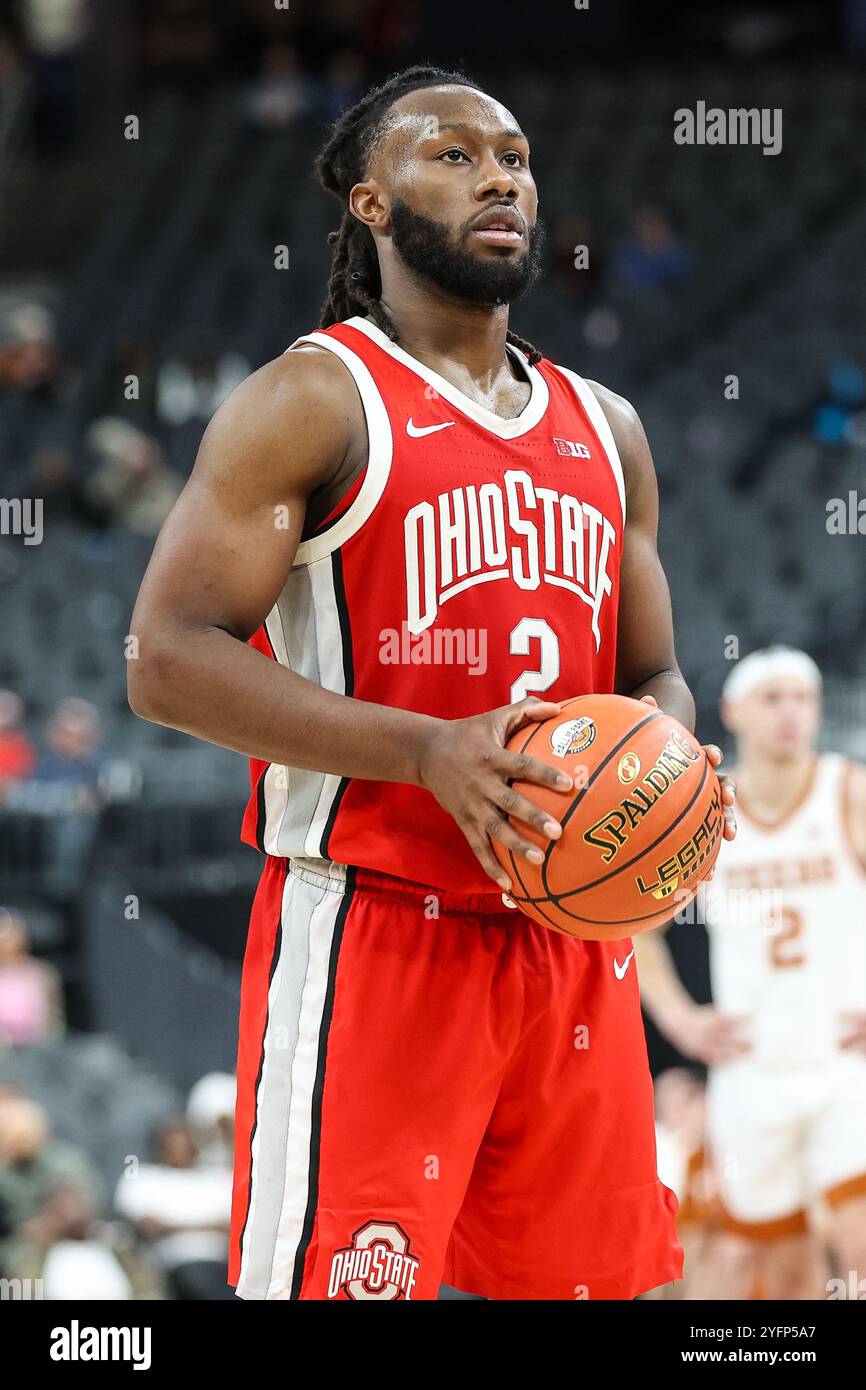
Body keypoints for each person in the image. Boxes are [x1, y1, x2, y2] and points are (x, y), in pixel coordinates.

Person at [128, 65, 734, 1301]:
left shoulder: (605, 425)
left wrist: (670, 756)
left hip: (574, 940)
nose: (499, 176)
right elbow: (166, 658)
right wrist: (425, 751)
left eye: (511, 155)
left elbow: (654, 669)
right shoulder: (312, 399)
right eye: (451, 156)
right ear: (367, 202)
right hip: (378, 929)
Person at [636, 647, 866, 1299]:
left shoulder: (849, 792)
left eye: (804, 698)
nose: (792, 713)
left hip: (845, 1064)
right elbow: (640, 924)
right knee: (784, 1275)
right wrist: (680, 1019)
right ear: (733, 712)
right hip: (750, 1075)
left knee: (857, 1255)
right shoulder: (705, 811)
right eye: (774, 699)